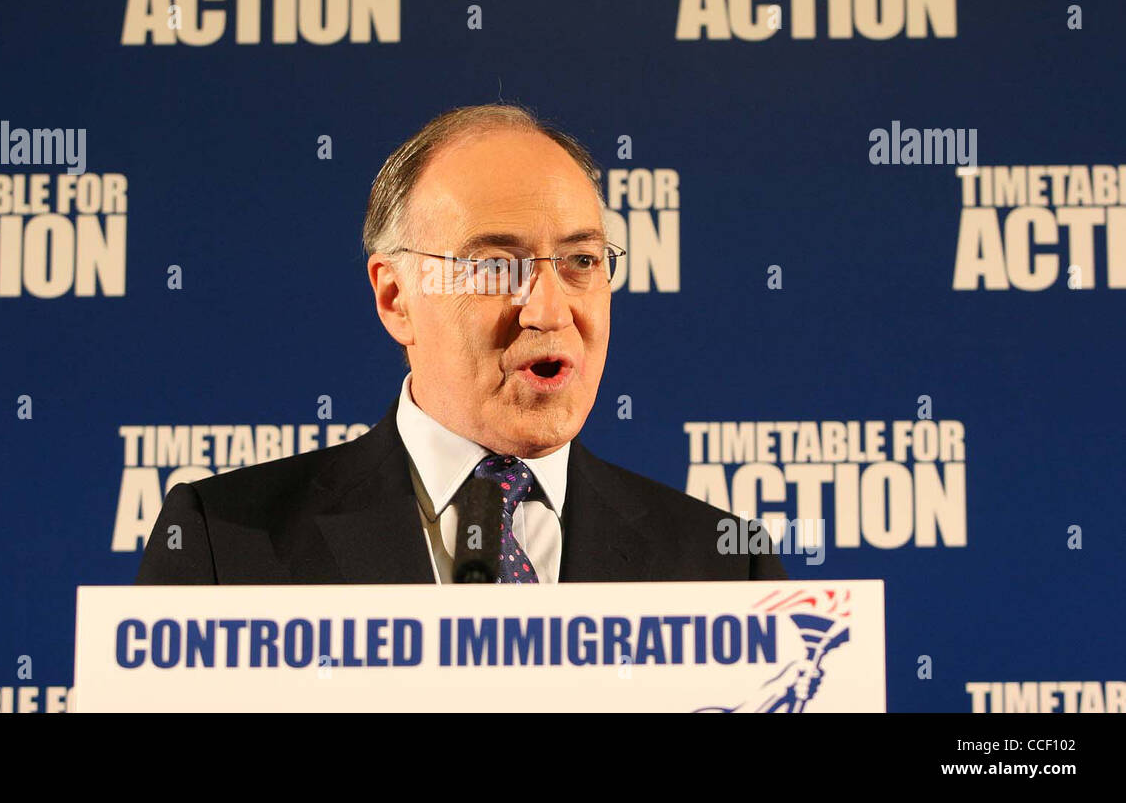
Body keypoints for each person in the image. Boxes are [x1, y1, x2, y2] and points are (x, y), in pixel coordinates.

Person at [136, 104, 788, 584]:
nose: (549, 309)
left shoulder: (727, 566)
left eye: (582, 260)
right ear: (396, 298)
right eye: (497, 266)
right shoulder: (223, 544)